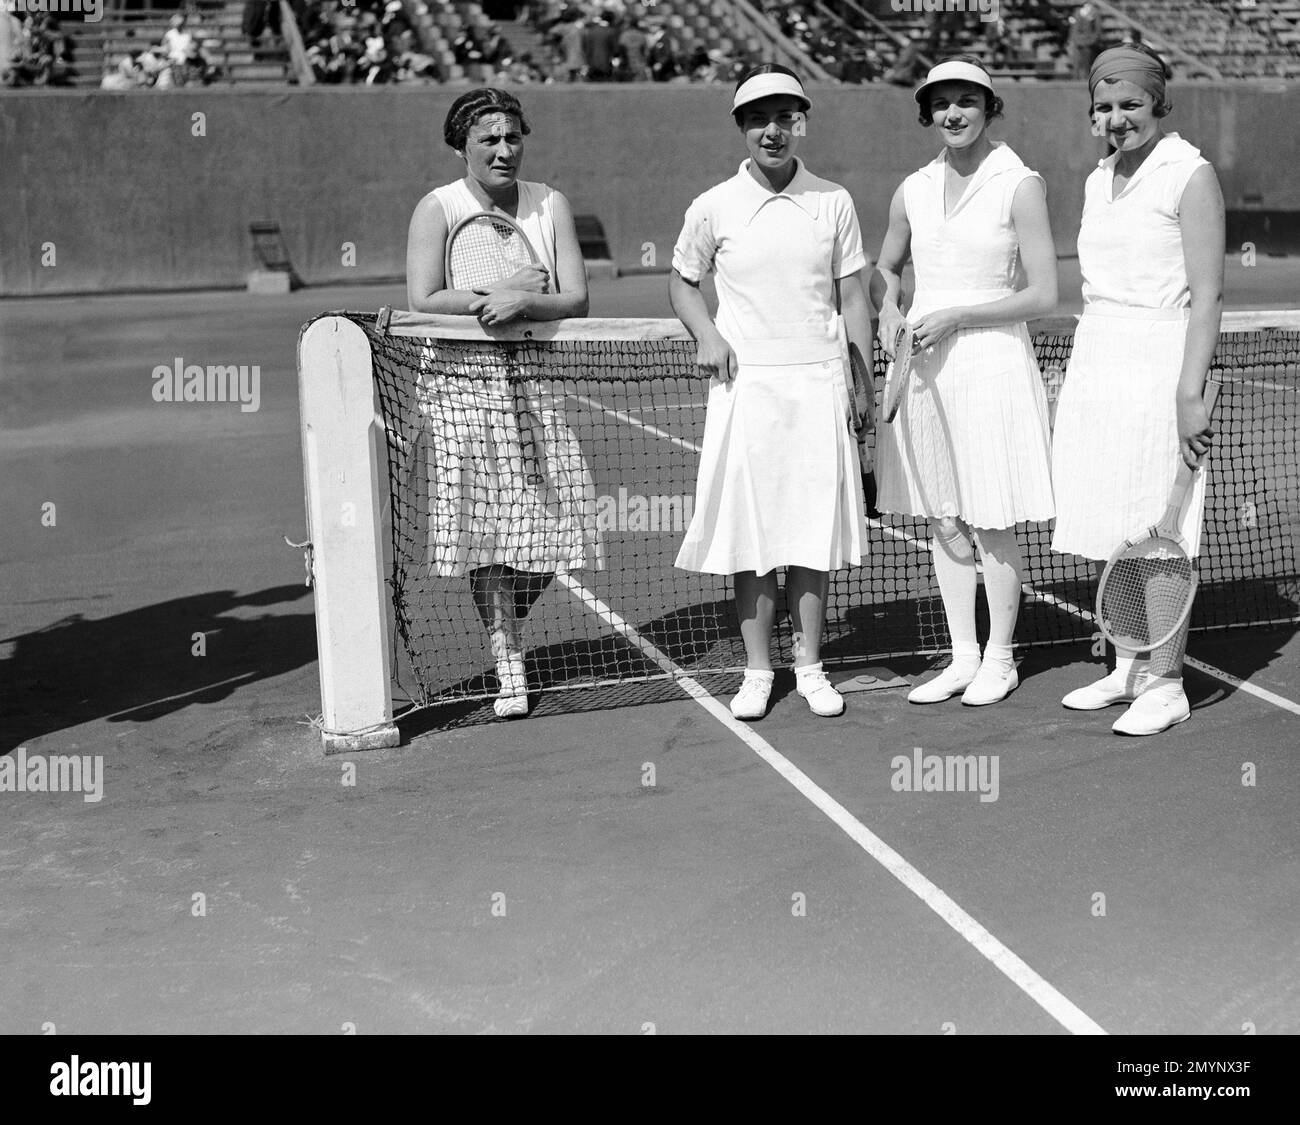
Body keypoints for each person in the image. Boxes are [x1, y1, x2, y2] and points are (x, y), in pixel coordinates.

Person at [670, 64, 873, 720]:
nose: (772, 130)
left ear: (801, 122)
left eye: (784, 116)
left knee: (810, 537)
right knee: (751, 539)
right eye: (759, 119)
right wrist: (707, 332)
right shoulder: (713, 206)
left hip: (819, 384)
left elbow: (852, 297)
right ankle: (758, 671)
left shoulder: (833, 201)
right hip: (745, 387)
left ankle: (810, 665)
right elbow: (681, 281)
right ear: (742, 128)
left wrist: (861, 380)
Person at [405, 88, 599, 717]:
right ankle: (508, 655)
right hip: (462, 390)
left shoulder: (550, 203)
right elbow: (425, 300)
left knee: (558, 527)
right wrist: (505, 288)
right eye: (488, 139)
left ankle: (503, 621)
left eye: (512, 137)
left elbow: (575, 299)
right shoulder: (437, 209)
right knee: (487, 535)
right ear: (462, 145)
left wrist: (525, 304)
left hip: (534, 384)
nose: (504, 149)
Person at [872, 57, 1058, 706]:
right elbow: (887, 267)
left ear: (988, 107)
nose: (953, 112)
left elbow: (1043, 292)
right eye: (941, 103)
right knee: (945, 520)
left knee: (992, 519)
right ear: (928, 112)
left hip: (992, 364)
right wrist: (892, 307)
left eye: (966, 101)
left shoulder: (1019, 183)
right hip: (925, 368)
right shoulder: (914, 188)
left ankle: (1001, 659)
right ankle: (962, 655)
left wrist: (958, 314)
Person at [1050, 43, 1225, 735]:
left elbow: (1208, 295)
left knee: (1162, 527)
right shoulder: (1099, 180)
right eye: (1105, 107)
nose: (1118, 119)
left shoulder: (1191, 174)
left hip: (1163, 362)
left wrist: (1188, 391)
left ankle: (1168, 678)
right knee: (1114, 521)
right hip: (1100, 358)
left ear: (1159, 103)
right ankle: (1127, 663)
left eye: (1131, 104)